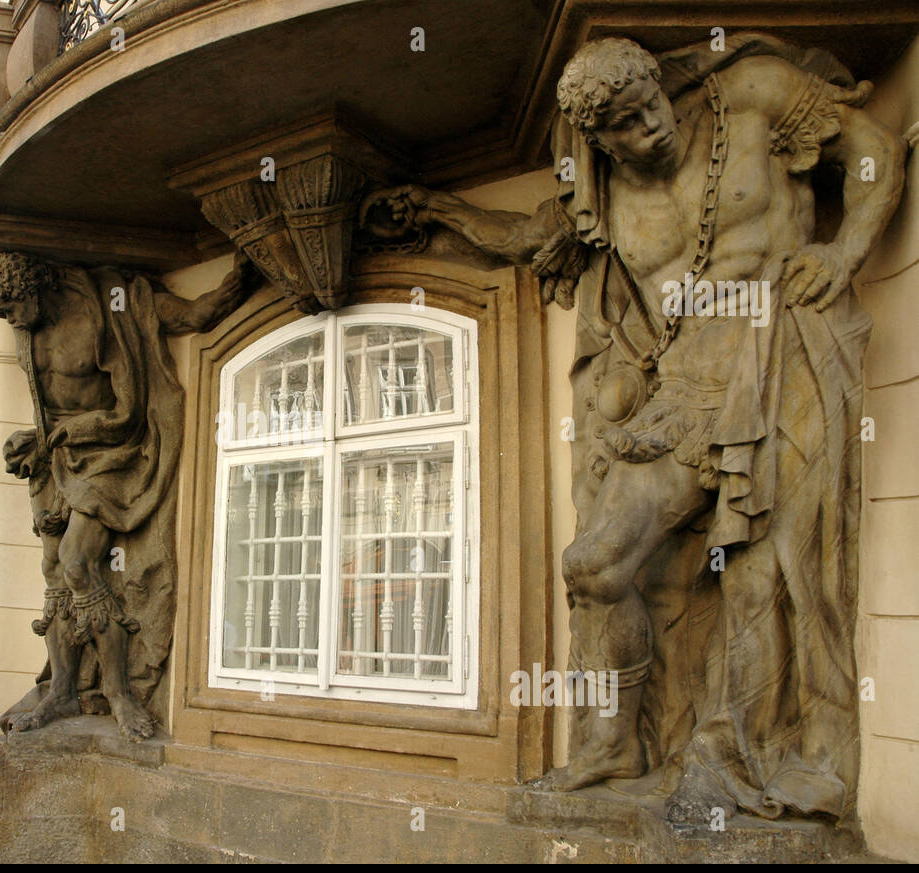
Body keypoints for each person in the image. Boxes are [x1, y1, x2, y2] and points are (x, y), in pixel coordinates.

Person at [362, 33, 905, 823]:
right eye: (624, 122)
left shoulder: (753, 93)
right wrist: (434, 208)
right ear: (597, 136)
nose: (650, 127)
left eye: (650, 104)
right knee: (594, 564)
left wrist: (845, 252)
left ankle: (782, 761)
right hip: (684, 392)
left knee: (770, 578)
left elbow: (874, 152)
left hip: (785, 359)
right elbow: (524, 241)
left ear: (660, 83)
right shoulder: (604, 197)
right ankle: (614, 741)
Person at [0, 252, 257, 741]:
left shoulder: (110, 307)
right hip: (52, 460)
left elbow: (183, 333)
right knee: (56, 579)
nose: (12, 321)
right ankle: (62, 690)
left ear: (35, 288)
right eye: (2, 313)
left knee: (78, 562)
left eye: (16, 308)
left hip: (109, 451)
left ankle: (119, 692)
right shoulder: (15, 303)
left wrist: (247, 271)